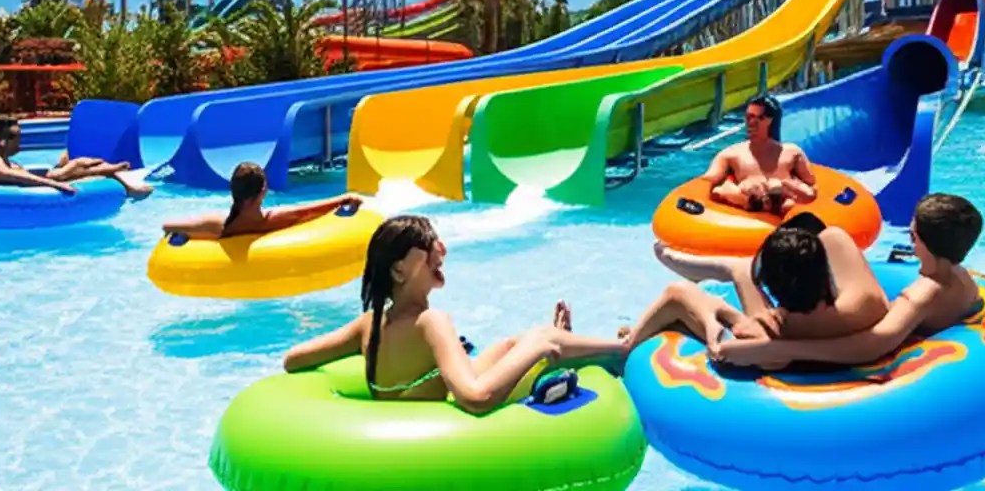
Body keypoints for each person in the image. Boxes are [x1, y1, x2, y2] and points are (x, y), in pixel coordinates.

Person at [282, 215, 625, 414]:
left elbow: (293, 359)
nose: (440, 249)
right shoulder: (432, 322)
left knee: (511, 344)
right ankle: (622, 349)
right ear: (399, 270)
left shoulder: (367, 324)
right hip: (435, 434)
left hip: (411, 414)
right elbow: (476, 397)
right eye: (427, 244)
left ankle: (566, 343)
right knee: (539, 340)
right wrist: (536, 350)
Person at [711, 193, 984, 370]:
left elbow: (869, 347)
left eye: (913, 237)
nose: (911, 244)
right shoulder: (962, 278)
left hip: (823, 334)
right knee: (830, 236)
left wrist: (772, 349)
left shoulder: (922, 295)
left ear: (924, 242)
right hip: (851, 316)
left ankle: (735, 271)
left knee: (745, 272)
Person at [620, 212, 888, 357]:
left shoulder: (768, 327)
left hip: (778, 322)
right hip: (827, 313)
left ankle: (712, 267)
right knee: (828, 234)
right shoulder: (867, 303)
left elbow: (726, 347)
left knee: (737, 271)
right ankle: (721, 267)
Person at [161, 162, 363, 240]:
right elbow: (308, 210)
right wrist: (343, 198)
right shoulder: (273, 220)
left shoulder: (218, 225)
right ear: (263, 191)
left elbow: (167, 226)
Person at [0, 114, 153, 198]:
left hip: (41, 181)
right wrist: (56, 185)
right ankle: (124, 185)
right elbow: (17, 177)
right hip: (34, 191)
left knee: (80, 166)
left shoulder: (4, 161)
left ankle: (119, 180)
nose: (19, 141)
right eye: (14, 136)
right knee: (76, 171)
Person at [703, 94, 816, 215]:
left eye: (760, 118)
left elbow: (812, 186)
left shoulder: (792, 152)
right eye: (749, 117)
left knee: (791, 191)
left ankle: (775, 199)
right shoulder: (730, 154)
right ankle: (751, 202)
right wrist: (733, 192)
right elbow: (705, 184)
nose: (752, 122)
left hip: (785, 204)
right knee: (726, 189)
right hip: (747, 207)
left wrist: (792, 188)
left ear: (771, 120)